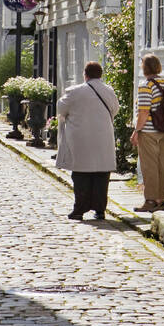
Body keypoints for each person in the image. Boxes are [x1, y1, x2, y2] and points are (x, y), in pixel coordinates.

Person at [56, 61, 120, 222]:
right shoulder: (109, 91)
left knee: (81, 175)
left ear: (85, 75)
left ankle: (79, 209)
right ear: (100, 75)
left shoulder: (74, 92)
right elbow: (115, 109)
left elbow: (60, 109)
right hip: (103, 138)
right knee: (101, 175)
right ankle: (100, 210)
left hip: (81, 139)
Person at [132, 52, 164, 213]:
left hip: (149, 130)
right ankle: (161, 200)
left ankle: (150, 200)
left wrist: (136, 131)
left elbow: (143, 112)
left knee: (149, 166)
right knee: (162, 165)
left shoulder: (146, 86)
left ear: (145, 68)